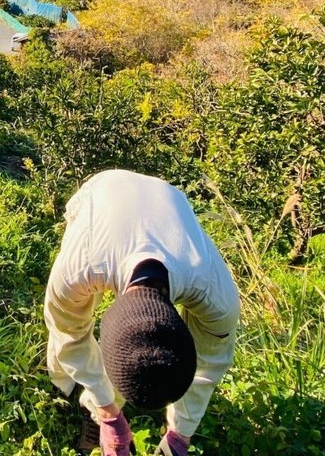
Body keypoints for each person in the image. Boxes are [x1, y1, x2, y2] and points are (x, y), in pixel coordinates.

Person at [45, 169, 240, 456]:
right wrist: (108, 414)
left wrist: (180, 436)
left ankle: (99, 404)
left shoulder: (216, 296)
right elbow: (69, 333)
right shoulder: (77, 270)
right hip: (105, 189)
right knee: (66, 330)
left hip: (169, 198)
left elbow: (210, 365)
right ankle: (76, 395)